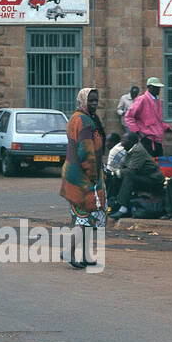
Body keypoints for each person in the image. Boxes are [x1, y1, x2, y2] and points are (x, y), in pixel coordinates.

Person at [60, 87, 105, 268]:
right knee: (85, 218)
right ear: (83, 101)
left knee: (86, 218)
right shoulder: (85, 121)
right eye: (91, 100)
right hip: (83, 176)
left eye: (96, 100)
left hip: (73, 173)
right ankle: (69, 251)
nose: (94, 103)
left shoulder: (76, 118)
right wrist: (93, 176)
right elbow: (86, 151)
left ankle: (85, 255)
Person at [110, 133, 164, 222]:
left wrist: (116, 172)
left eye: (123, 140)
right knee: (115, 178)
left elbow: (131, 170)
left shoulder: (138, 151)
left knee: (129, 178)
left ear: (131, 142)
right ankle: (114, 204)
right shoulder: (129, 150)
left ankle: (123, 209)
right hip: (143, 177)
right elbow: (123, 166)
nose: (121, 143)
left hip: (154, 180)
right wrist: (114, 173)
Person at [123, 76, 172, 157]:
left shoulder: (157, 100)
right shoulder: (142, 99)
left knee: (157, 165)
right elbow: (128, 117)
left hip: (158, 139)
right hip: (147, 139)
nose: (158, 89)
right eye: (155, 87)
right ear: (149, 87)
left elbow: (158, 121)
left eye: (158, 87)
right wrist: (138, 132)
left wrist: (167, 127)